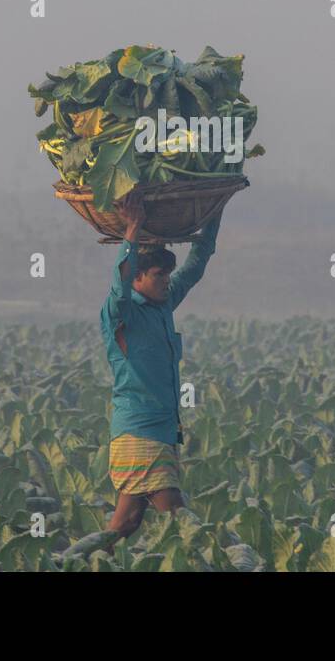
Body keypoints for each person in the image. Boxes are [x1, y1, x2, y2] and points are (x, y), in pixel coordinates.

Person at [100, 189, 223, 547]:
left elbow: (197, 263)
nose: (166, 281)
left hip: (159, 432)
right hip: (139, 434)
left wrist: (216, 209)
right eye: (157, 275)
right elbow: (118, 285)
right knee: (181, 522)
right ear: (137, 277)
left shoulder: (163, 305)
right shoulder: (121, 314)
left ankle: (79, 562)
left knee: (126, 523)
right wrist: (133, 228)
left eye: (166, 275)